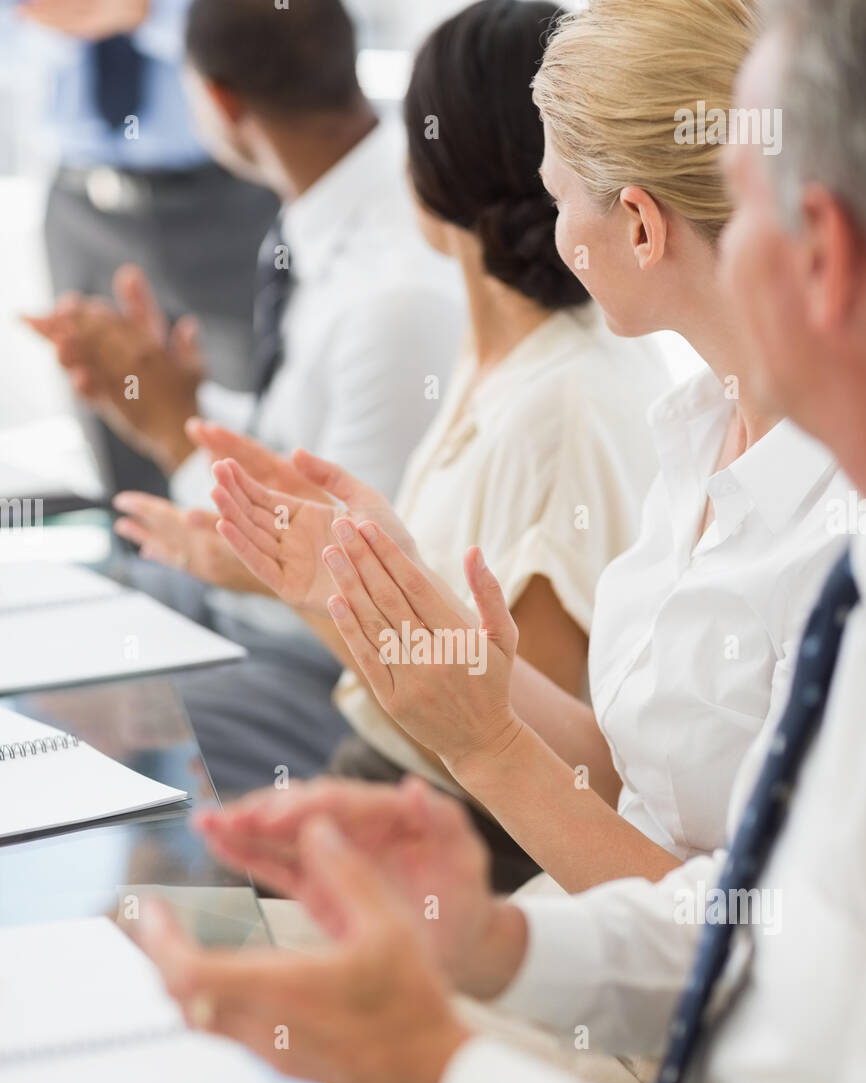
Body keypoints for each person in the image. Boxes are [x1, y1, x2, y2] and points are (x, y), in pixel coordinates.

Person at [126, 0, 866, 1083]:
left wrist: (486, 763)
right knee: (135, 973)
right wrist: (399, 618)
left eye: (756, 206)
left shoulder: (809, 520)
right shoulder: (698, 428)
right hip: (614, 989)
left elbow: (742, 964)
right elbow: (703, 860)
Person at [212, 0, 850, 896]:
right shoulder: (698, 431)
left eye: (557, 199)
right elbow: (629, 777)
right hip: (592, 932)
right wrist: (402, 595)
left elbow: (738, 933)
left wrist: (490, 748)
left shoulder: (828, 523)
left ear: (640, 225)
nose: (550, 232)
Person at [91, 0, 671, 892]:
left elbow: (525, 771)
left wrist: (317, 585)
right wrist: (319, 564)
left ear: (431, 168)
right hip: (399, 768)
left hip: (457, 830)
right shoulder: (495, 356)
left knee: (153, 848)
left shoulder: (556, 405)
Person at [27, 0, 464, 795]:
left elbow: (342, 579)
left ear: (219, 101)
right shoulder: (327, 215)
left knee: (71, 741)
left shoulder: (392, 292)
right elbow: (303, 449)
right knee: (41, 632)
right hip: (249, 614)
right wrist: (177, 403)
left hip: (324, 664)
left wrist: (178, 437)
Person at [10, 0, 277, 496]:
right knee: (109, 396)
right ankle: (139, 540)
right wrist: (41, 18)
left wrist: (150, 13)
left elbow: (281, 26)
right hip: (81, 199)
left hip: (221, 196)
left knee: (253, 411)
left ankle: (250, 539)